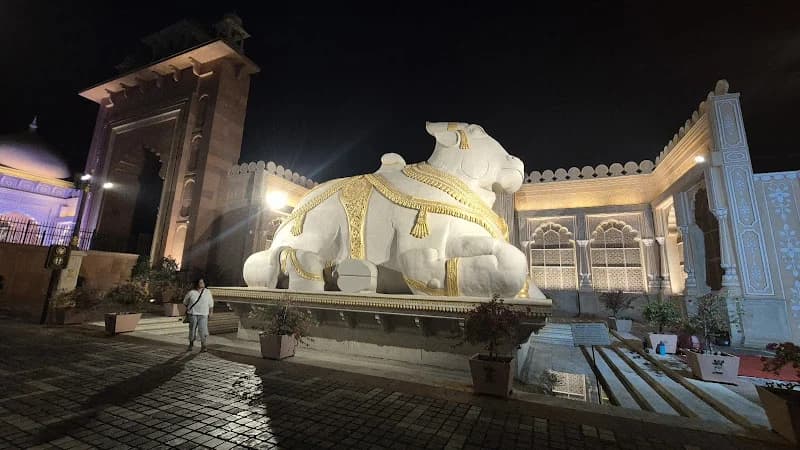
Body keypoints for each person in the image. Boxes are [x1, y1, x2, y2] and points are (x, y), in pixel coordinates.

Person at [183, 278, 214, 352]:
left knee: (203, 330)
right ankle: (191, 344)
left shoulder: (207, 292)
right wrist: (189, 308)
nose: (202, 283)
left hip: (204, 314)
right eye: (200, 282)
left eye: (203, 282)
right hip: (193, 314)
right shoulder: (191, 292)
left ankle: (203, 345)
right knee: (192, 330)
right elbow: (185, 302)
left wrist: (211, 312)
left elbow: (211, 303)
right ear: (197, 283)